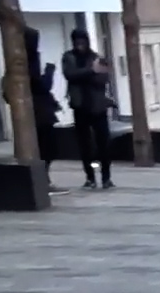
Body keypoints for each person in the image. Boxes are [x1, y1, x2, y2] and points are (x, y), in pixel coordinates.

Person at [61, 28, 114, 190]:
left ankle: (106, 177)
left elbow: (103, 79)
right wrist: (91, 71)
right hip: (80, 106)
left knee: (103, 143)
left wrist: (88, 75)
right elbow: (70, 75)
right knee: (85, 145)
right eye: (77, 41)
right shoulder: (69, 57)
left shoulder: (97, 57)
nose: (80, 44)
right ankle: (90, 177)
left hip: (98, 107)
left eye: (82, 41)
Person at [23, 26, 64, 192]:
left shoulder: (29, 58)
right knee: (47, 147)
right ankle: (43, 179)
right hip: (39, 112)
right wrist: (49, 72)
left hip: (40, 110)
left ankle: (44, 178)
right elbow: (42, 86)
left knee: (47, 147)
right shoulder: (29, 60)